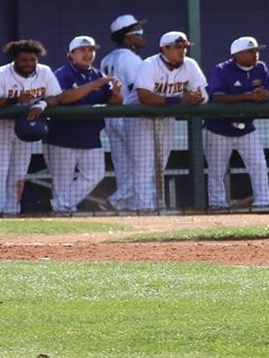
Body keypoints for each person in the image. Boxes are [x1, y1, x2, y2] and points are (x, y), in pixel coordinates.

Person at [0, 40, 62, 216]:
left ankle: (12, 211)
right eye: (24, 60)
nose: (29, 64)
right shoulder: (0, 73)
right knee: (0, 169)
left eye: (32, 60)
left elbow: (57, 97)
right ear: (15, 59)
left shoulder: (45, 72)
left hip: (26, 127)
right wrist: (16, 100)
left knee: (19, 171)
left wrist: (42, 104)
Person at [131, 31, 207, 210]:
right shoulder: (149, 64)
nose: (182, 51)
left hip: (166, 119)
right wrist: (180, 100)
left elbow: (203, 93)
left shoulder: (190, 65)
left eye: (184, 47)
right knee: (143, 165)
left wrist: (198, 98)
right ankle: (144, 209)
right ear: (164, 49)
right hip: (140, 120)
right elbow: (145, 97)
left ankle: (154, 206)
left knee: (160, 165)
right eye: (178, 47)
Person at [45, 36, 120, 213]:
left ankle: (60, 206)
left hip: (90, 136)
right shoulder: (62, 74)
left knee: (95, 173)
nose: (88, 53)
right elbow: (62, 98)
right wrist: (93, 85)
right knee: (62, 183)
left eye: (91, 50)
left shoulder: (97, 74)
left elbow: (114, 102)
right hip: (62, 137)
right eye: (83, 50)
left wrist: (116, 93)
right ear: (71, 54)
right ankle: (63, 214)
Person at [204, 36, 269, 209]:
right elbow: (218, 97)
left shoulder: (260, 67)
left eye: (256, 51)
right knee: (216, 171)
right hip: (218, 128)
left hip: (246, 127)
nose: (255, 54)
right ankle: (217, 205)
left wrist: (263, 95)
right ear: (238, 54)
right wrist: (247, 96)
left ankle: (262, 204)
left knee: (259, 165)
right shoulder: (222, 69)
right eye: (251, 51)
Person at [99, 15, 149, 210]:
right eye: (139, 32)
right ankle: (118, 200)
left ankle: (126, 206)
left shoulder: (106, 58)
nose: (143, 36)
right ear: (128, 36)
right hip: (130, 119)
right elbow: (138, 91)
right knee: (142, 167)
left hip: (112, 117)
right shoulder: (131, 59)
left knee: (124, 168)